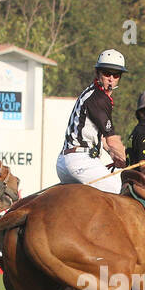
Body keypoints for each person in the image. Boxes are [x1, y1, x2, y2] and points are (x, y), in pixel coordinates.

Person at [56, 50, 129, 194]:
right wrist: (129, 161)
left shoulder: (92, 91)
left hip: (67, 161)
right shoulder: (98, 98)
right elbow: (113, 141)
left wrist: (114, 155)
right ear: (98, 73)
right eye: (107, 73)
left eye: (116, 75)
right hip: (80, 161)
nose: (111, 79)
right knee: (119, 191)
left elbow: (102, 138)